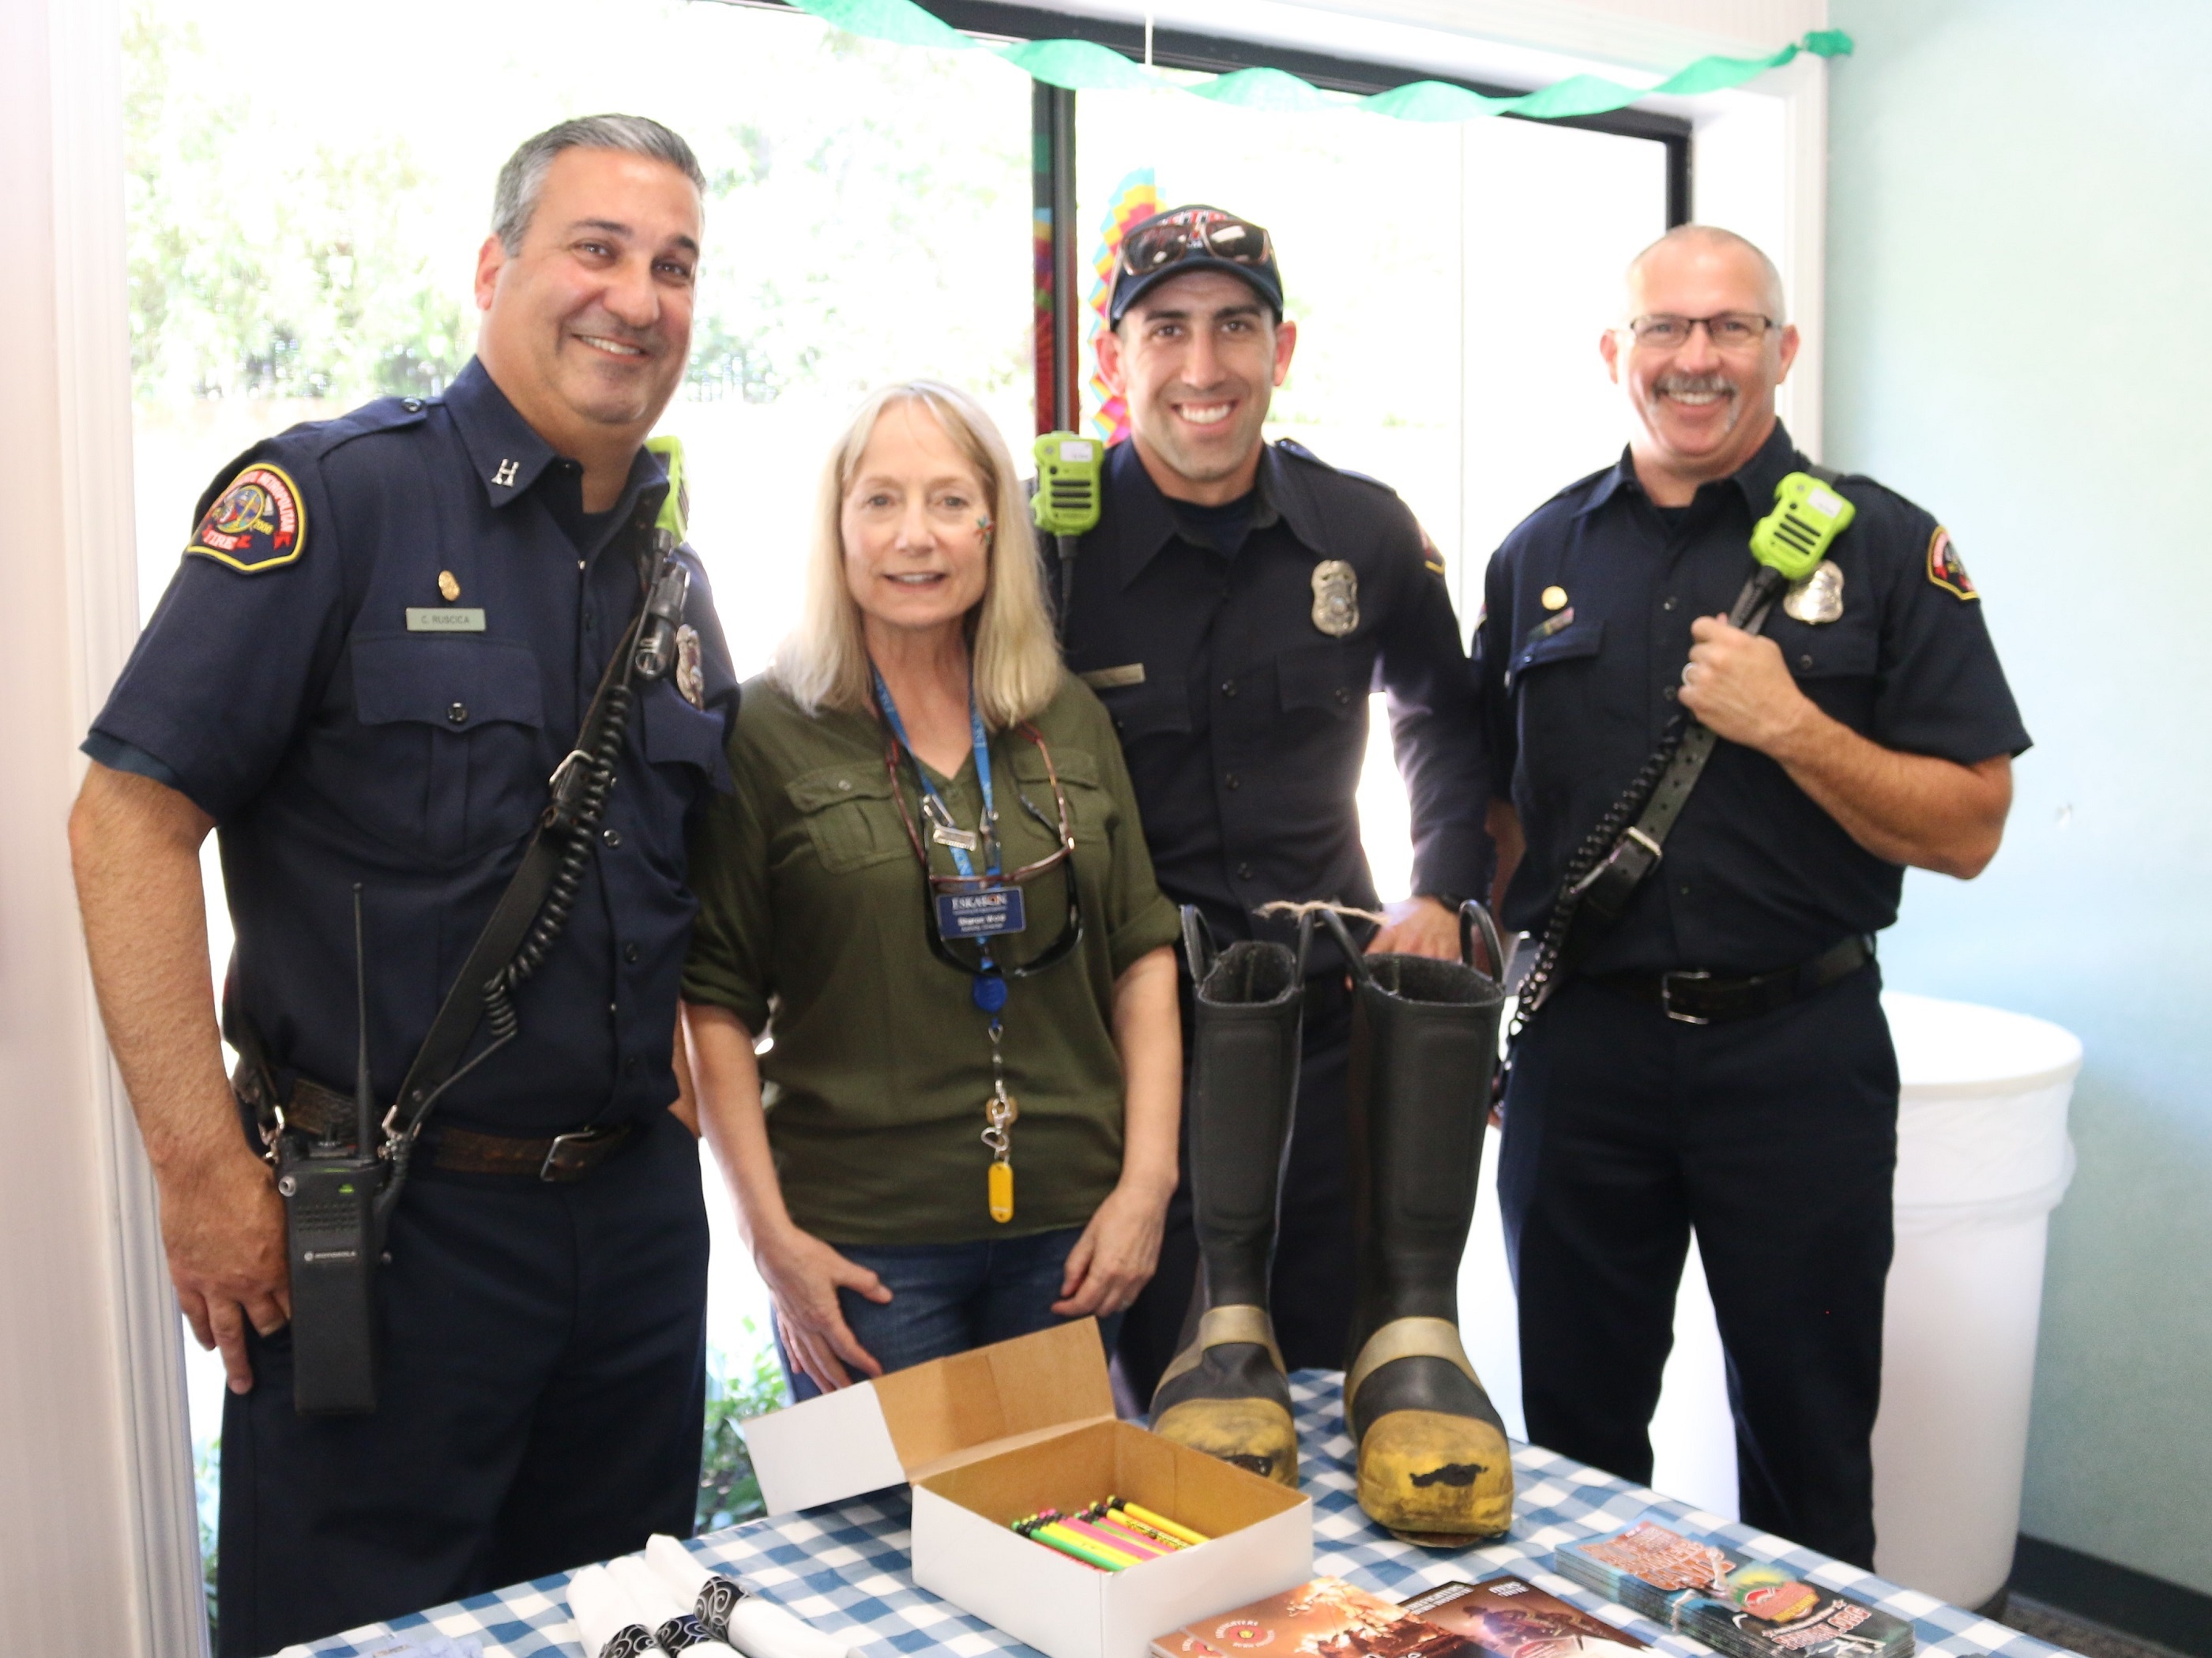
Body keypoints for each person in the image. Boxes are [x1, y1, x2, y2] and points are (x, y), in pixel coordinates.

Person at [69, 116, 736, 1654]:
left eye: (675, 265)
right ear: (494, 268)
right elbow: (123, 822)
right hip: (393, 1232)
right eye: (597, 248)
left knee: (624, 1620)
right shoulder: (338, 503)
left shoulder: (675, 578)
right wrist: (198, 1169)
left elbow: (677, 874)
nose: (637, 297)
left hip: (633, 1229)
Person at [1479, 224, 2029, 1566]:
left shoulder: (1886, 545)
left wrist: (1794, 726)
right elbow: (1497, 816)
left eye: (1731, 327)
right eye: (1665, 327)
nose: (1698, 356)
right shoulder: (1537, 551)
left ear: (1782, 350)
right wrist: (1485, 1014)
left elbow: (1972, 825)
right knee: (1573, 1451)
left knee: (1808, 1444)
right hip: (1584, 1053)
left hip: (1797, 1055)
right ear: (1615, 353)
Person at [1061, 205, 1493, 1402]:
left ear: (1281, 349)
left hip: (1328, 1041)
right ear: (1113, 359)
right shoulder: (1051, 555)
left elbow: (1441, 715)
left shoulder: (1363, 529)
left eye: (1236, 327)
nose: (1203, 367)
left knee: (1332, 1378)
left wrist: (1440, 888)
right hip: (1129, 1056)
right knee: (1168, 1400)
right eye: (1166, 329)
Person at [681, 381, 1183, 1397]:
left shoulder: (1063, 714)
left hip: (1071, 1235)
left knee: (1046, 1495)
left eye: (951, 500)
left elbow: (1142, 956)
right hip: (864, 1249)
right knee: (888, 1507)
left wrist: (1148, 1182)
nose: (916, 535)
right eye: (881, 500)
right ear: (837, 527)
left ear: (995, 528)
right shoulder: (765, 728)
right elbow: (712, 1003)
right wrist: (766, 1236)